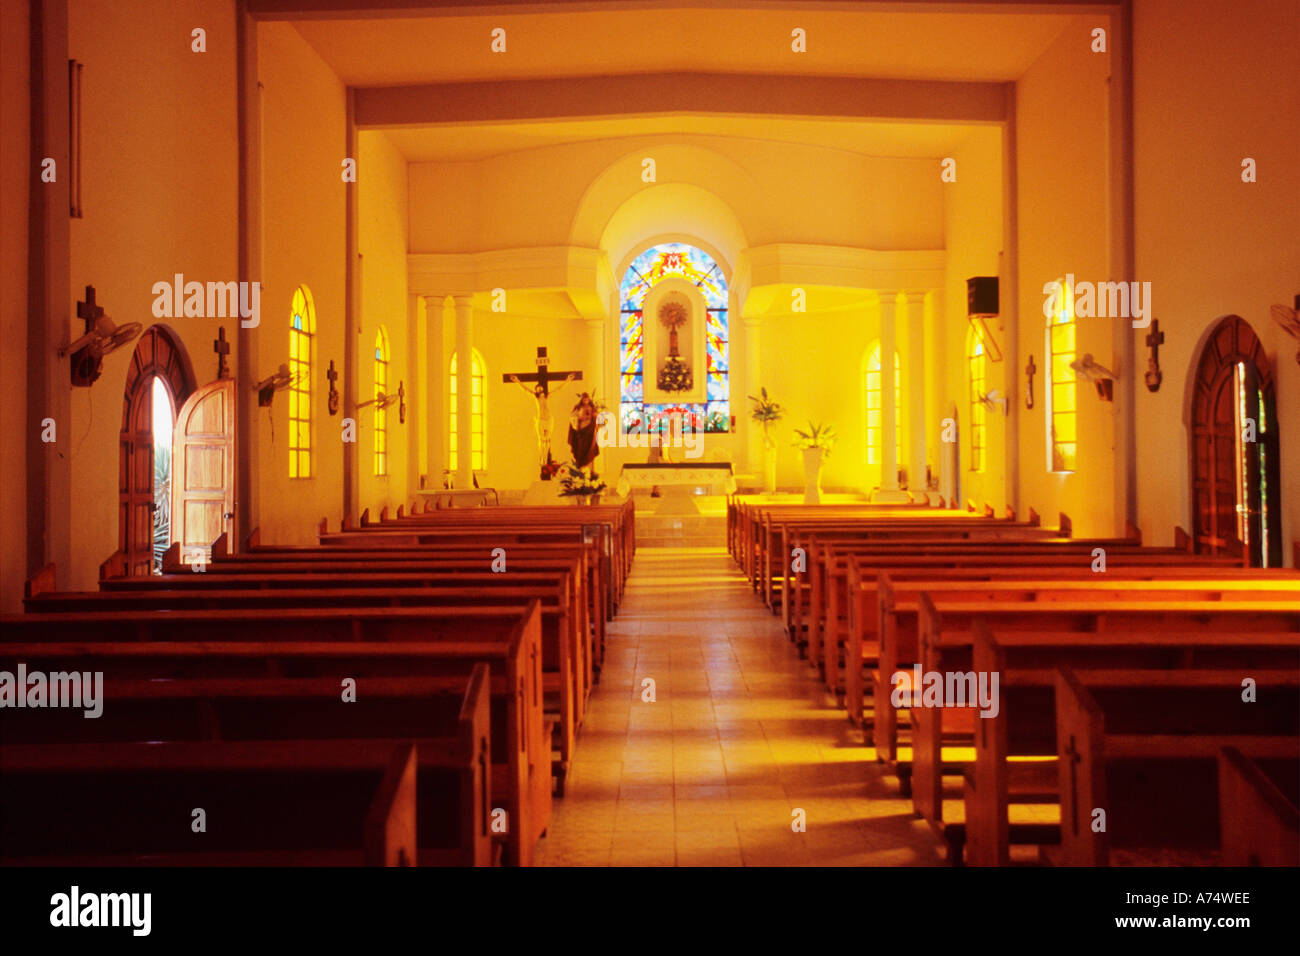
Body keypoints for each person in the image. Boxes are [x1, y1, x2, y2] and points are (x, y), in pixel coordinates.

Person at [510, 372, 575, 469]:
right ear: (536, 390)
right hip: (540, 419)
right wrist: (517, 381)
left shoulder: (548, 396)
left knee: (548, 440)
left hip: (548, 419)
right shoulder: (535, 397)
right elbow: (525, 389)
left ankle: (545, 458)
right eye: (538, 388)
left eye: (541, 388)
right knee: (541, 440)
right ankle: (542, 458)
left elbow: (558, 389)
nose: (540, 389)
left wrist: (567, 381)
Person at [568, 391, 600, 475]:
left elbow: (598, 419)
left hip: (590, 432)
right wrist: (579, 418)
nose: (586, 400)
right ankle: (580, 470)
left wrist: (595, 416)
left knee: (590, 451)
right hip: (580, 432)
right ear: (582, 399)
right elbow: (572, 417)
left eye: (587, 399)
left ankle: (590, 470)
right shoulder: (578, 407)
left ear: (589, 399)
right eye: (584, 399)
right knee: (580, 450)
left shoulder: (593, 408)